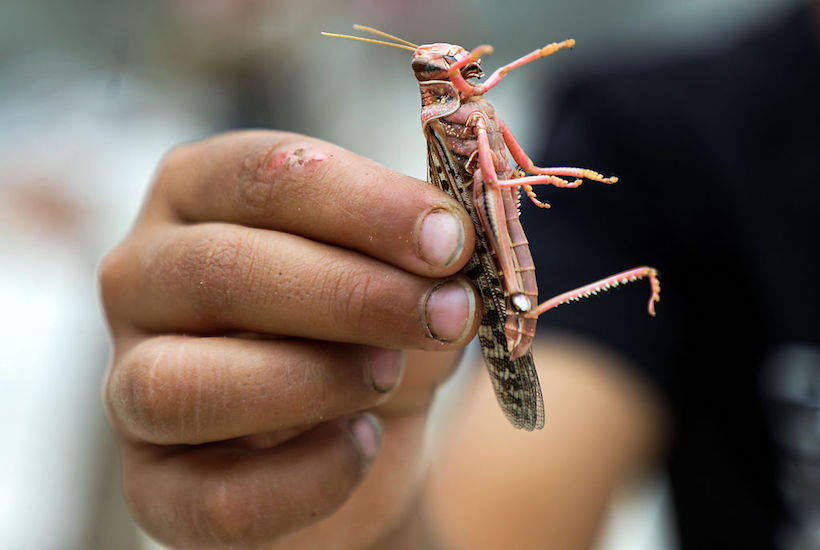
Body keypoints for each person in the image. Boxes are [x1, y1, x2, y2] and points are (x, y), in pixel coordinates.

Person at [99, 2, 819, 549]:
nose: (458, 68)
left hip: (502, 204)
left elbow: (510, 161)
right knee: (514, 286)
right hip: (490, 241)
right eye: (442, 67)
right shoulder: (655, 132)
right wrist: (343, 520)